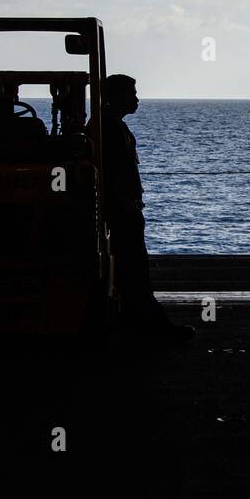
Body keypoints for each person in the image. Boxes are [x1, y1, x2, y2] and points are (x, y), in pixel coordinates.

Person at [96, 74, 194, 344]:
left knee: (131, 269)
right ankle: (149, 328)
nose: (136, 99)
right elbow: (108, 172)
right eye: (131, 94)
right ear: (116, 97)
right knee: (134, 269)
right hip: (122, 210)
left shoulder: (110, 126)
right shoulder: (110, 129)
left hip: (123, 207)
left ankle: (137, 324)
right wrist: (125, 202)